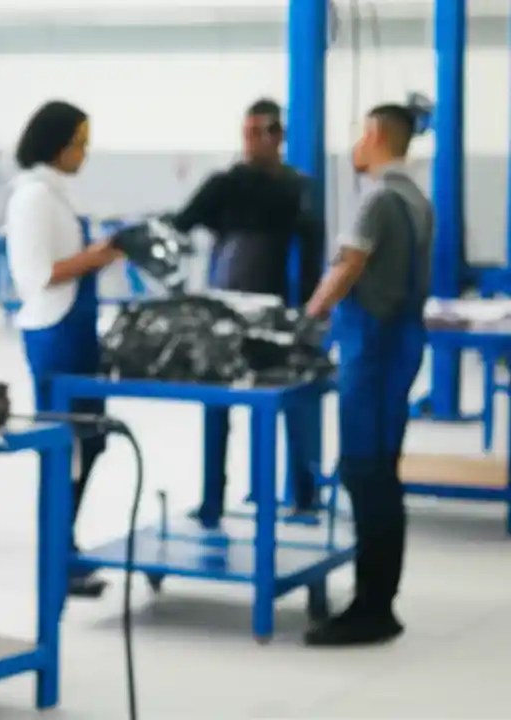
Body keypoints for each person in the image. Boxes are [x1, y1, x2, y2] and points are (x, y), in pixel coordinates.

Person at [302, 104, 431, 646]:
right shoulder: (419, 200)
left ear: (375, 134)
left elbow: (347, 265)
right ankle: (379, 598)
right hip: (396, 348)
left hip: (372, 354)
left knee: (365, 473)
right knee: (381, 472)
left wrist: (303, 321)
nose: (355, 146)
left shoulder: (377, 198)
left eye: (359, 133)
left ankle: (371, 608)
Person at [168, 98, 326, 523]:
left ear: (279, 137)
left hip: (277, 315)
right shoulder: (224, 184)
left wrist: (311, 314)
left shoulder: (298, 190)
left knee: (290, 404)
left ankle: (305, 495)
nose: (253, 142)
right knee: (216, 406)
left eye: (262, 133)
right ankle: (212, 501)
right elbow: (180, 223)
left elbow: (312, 255)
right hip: (223, 314)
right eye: (248, 133)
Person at [5, 100, 125, 598]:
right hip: (54, 334)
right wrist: (99, 255)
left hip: (76, 331)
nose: (85, 153)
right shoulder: (33, 197)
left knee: (90, 440)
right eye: (79, 143)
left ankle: (66, 547)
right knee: (65, 448)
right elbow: (35, 275)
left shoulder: (55, 196)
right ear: (57, 144)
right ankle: (56, 558)